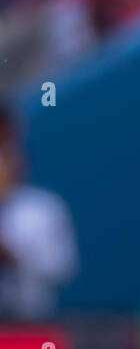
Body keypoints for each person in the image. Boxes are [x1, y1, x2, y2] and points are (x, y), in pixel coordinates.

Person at [0, 110, 78, 321]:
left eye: (7, 152)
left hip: (30, 324)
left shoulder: (45, 209)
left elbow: (63, 267)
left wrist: (14, 257)